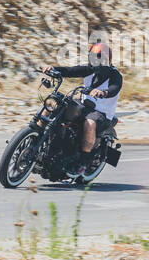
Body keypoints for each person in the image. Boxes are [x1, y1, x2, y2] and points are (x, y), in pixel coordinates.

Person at [39, 40, 122, 177]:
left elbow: (114, 89)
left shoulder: (115, 75)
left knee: (89, 123)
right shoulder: (89, 69)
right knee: (54, 106)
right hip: (83, 105)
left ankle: (83, 162)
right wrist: (51, 68)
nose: (94, 62)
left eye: (98, 59)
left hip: (101, 113)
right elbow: (69, 71)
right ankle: (36, 138)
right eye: (92, 58)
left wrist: (103, 92)